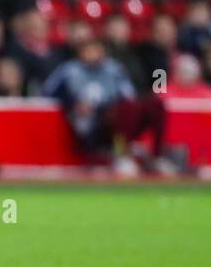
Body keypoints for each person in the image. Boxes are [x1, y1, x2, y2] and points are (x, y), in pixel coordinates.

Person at [42, 37, 172, 174]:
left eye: (97, 50)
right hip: (89, 123)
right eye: (89, 50)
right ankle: (123, 155)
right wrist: (73, 103)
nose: (93, 53)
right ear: (80, 52)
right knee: (124, 110)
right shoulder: (69, 70)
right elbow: (47, 91)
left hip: (114, 117)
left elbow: (128, 95)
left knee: (153, 105)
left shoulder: (114, 69)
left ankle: (157, 156)